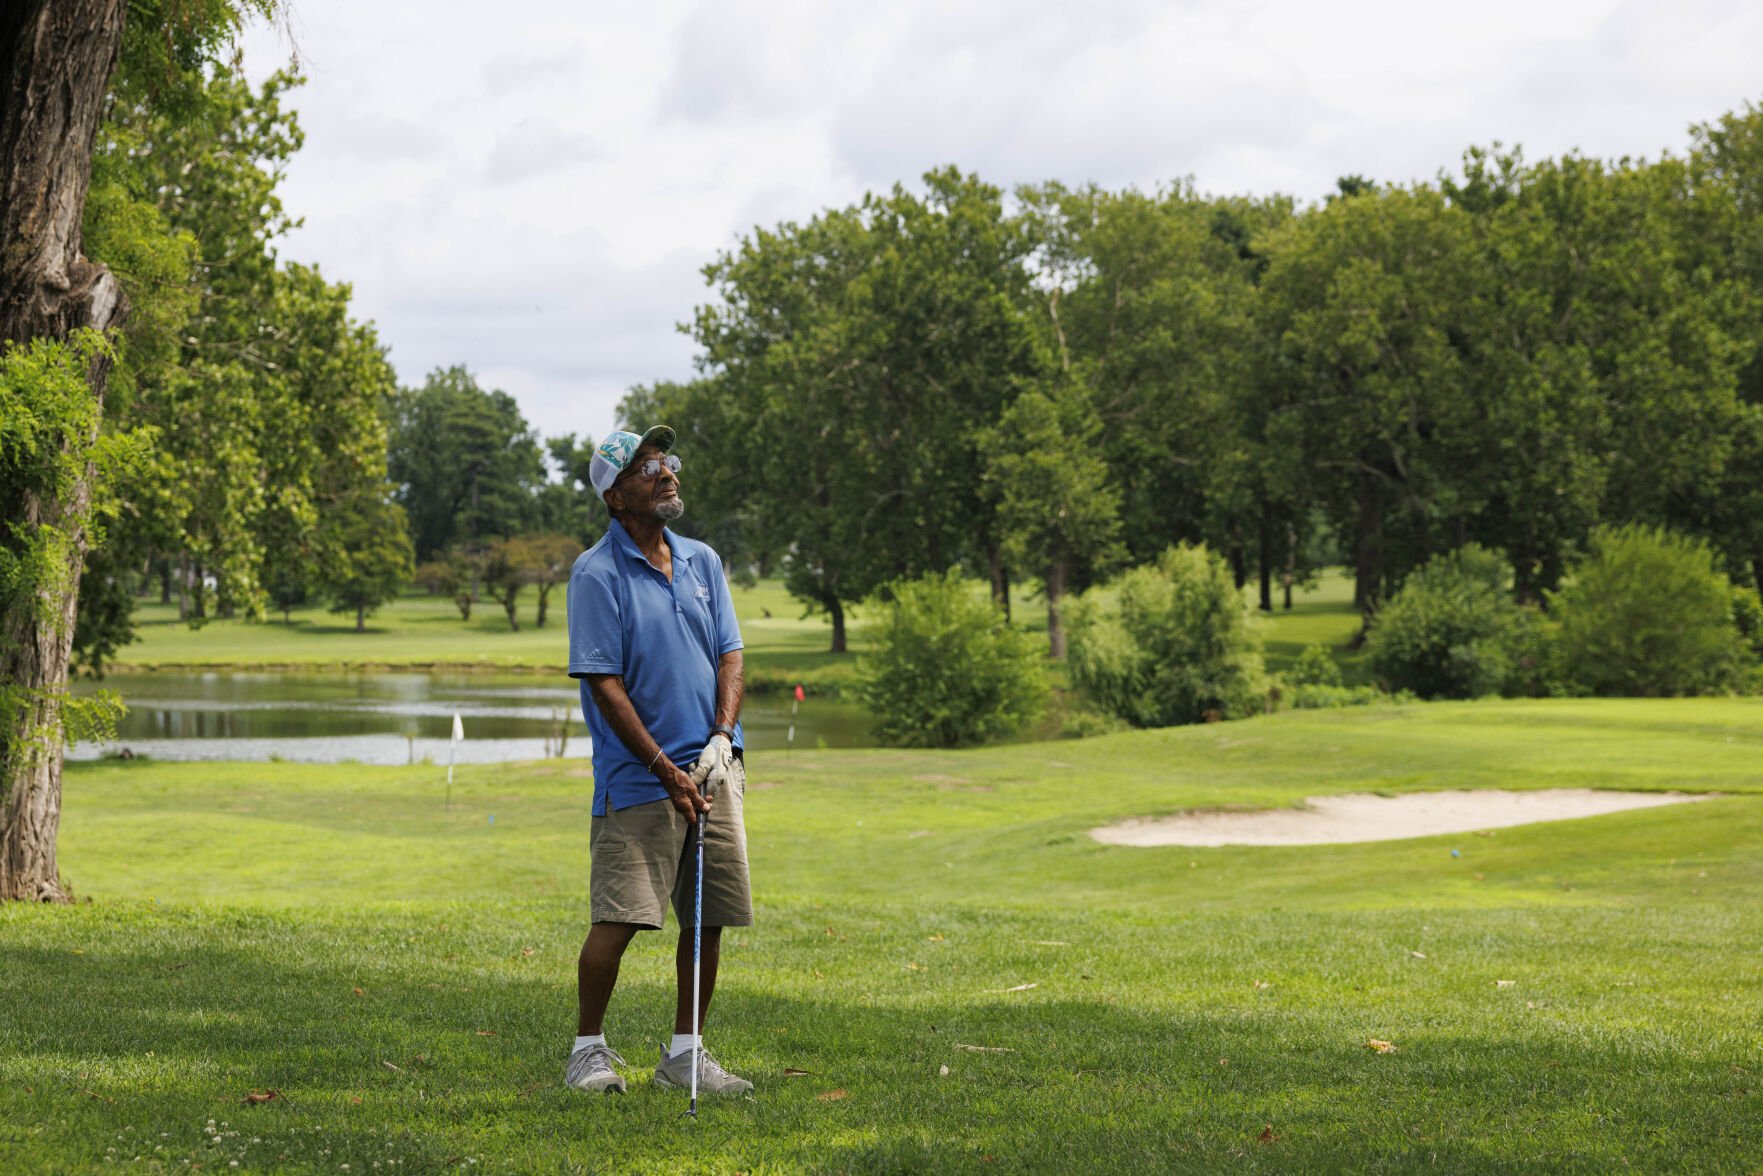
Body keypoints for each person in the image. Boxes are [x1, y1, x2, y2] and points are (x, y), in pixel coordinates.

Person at [562, 425, 753, 1096]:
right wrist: (662, 770)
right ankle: (587, 1051)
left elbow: (729, 652)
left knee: (706, 918)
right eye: (647, 468)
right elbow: (604, 683)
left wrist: (721, 739)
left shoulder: (702, 560)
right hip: (639, 777)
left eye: (666, 461)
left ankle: (684, 1057)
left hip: (713, 766)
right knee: (618, 919)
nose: (666, 473)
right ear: (615, 497)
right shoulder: (596, 573)